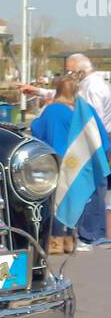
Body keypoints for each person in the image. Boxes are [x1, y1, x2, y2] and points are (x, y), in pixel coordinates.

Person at [31, 75, 110, 252]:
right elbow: (100, 136)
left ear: (58, 90)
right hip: (80, 162)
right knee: (77, 199)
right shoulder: (85, 110)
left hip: (58, 160)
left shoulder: (52, 110)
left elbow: (37, 129)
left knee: (57, 201)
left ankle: (56, 241)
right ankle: (72, 239)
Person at [65, 54, 111, 246]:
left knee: (92, 186)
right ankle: (96, 230)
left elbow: (93, 120)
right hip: (100, 139)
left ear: (81, 71)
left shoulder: (91, 87)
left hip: (95, 140)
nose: (70, 75)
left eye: (71, 72)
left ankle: (91, 232)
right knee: (97, 186)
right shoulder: (94, 84)